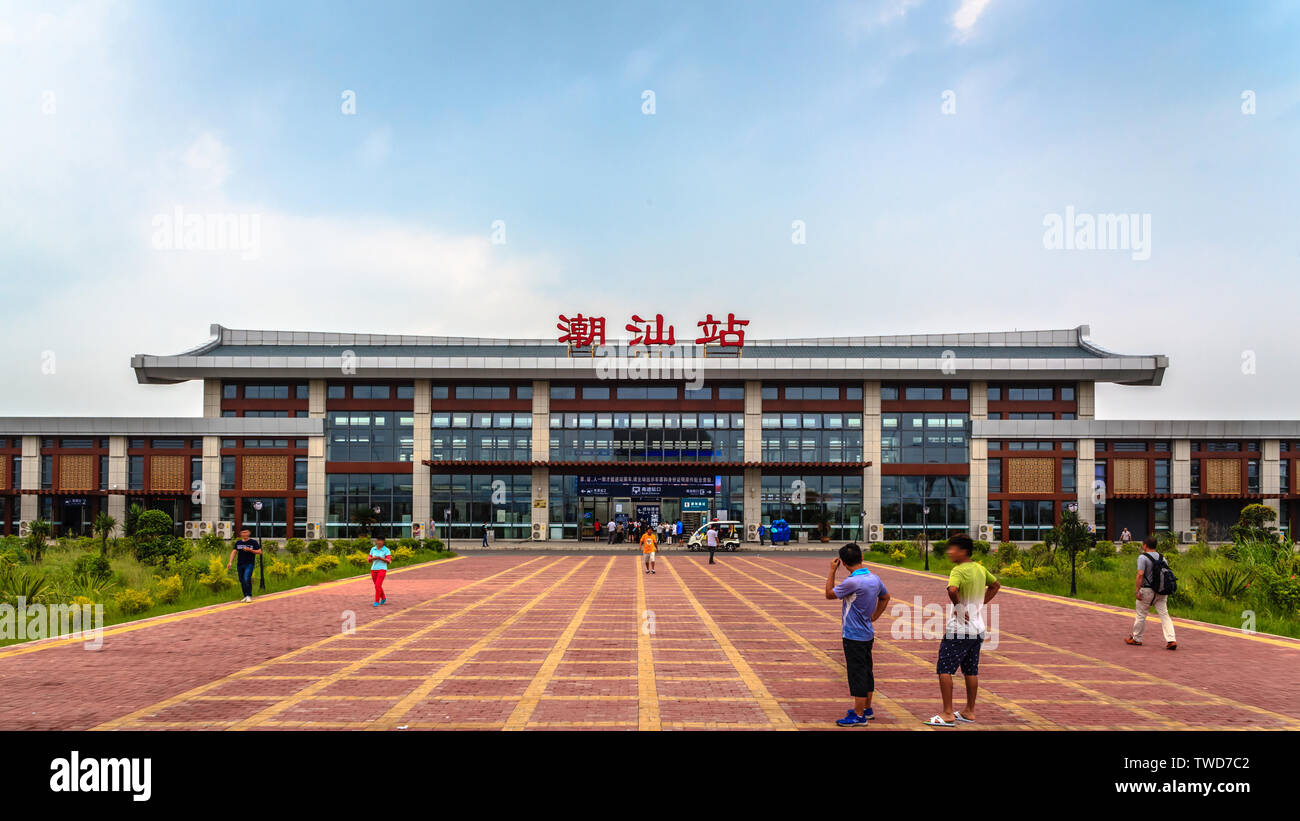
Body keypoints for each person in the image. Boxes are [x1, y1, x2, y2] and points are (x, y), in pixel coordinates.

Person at [925, 533, 999, 727]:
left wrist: (959, 608)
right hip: (978, 629)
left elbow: (952, 590)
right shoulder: (980, 569)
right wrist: (981, 603)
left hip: (958, 629)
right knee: (971, 671)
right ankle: (969, 711)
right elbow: (996, 585)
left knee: (944, 669)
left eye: (953, 548)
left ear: (963, 551)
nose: (950, 552)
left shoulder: (958, 570)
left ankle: (948, 713)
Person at [825, 543, 890, 726]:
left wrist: (832, 571)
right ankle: (867, 708)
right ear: (862, 558)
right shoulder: (874, 579)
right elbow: (885, 597)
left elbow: (829, 594)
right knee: (866, 671)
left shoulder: (852, 582)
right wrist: (875, 616)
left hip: (853, 635)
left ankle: (859, 715)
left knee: (857, 675)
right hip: (867, 633)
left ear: (843, 563)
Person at [1126, 534, 1177, 650]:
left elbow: (1140, 574)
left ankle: (1137, 638)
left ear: (1145, 545)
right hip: (1161, 591)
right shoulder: (1162, 558)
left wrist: (1137, 591)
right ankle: (1171, 640)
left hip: (1147, 590)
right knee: (1165, 615)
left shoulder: (1142, 558)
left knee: (1141, 615)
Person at [226, 527, 262, 603]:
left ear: (249, 533)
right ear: (240, 534)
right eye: (243, 532)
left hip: (249, 564)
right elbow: (234, 552)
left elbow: (259, 552)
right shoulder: (238, 543)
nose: (244, 534)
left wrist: (250, 550)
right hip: (240, 564)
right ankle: (245, 595)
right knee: (242, 580)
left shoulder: (253, 542)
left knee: (246, 578)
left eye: (246, 532)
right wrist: (230, 562)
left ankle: (249, 595)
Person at [369, 535, 392, 607]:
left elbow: (389, 561)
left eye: (381, 541)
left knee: (377, 585)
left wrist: (380, 558)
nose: (379, 542)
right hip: (373, 569)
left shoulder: (386, 550)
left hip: (382, 569)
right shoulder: (373, 549)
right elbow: (369, 559)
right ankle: (383, 597)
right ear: (376, 541)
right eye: (378, 540)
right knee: (377, 585)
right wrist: (373, 558)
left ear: (383, 542)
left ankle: (376, 601)